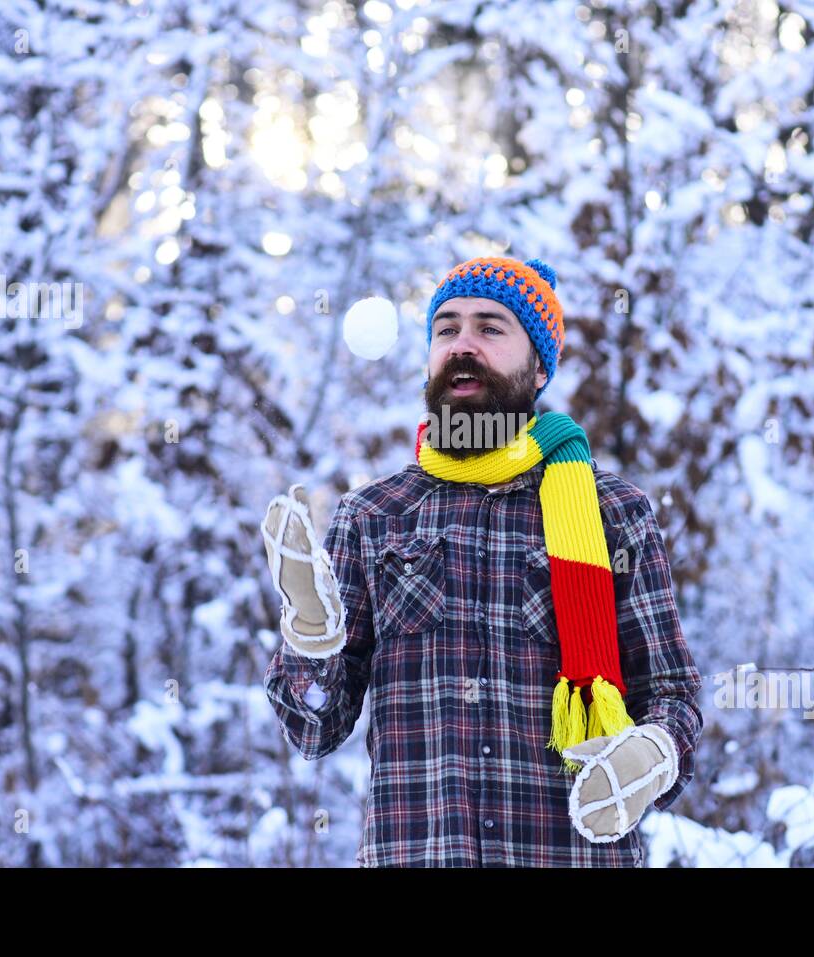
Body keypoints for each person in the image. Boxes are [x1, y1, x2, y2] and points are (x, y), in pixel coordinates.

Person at [262, 255, 704, 866]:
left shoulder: (612, 513)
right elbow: (315, 727)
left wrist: (653, 751)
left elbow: (673, 694)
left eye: (490, 328)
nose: (462, 345)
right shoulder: (372, 517)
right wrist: (309, 641)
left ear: (539, 364)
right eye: (446, 329)